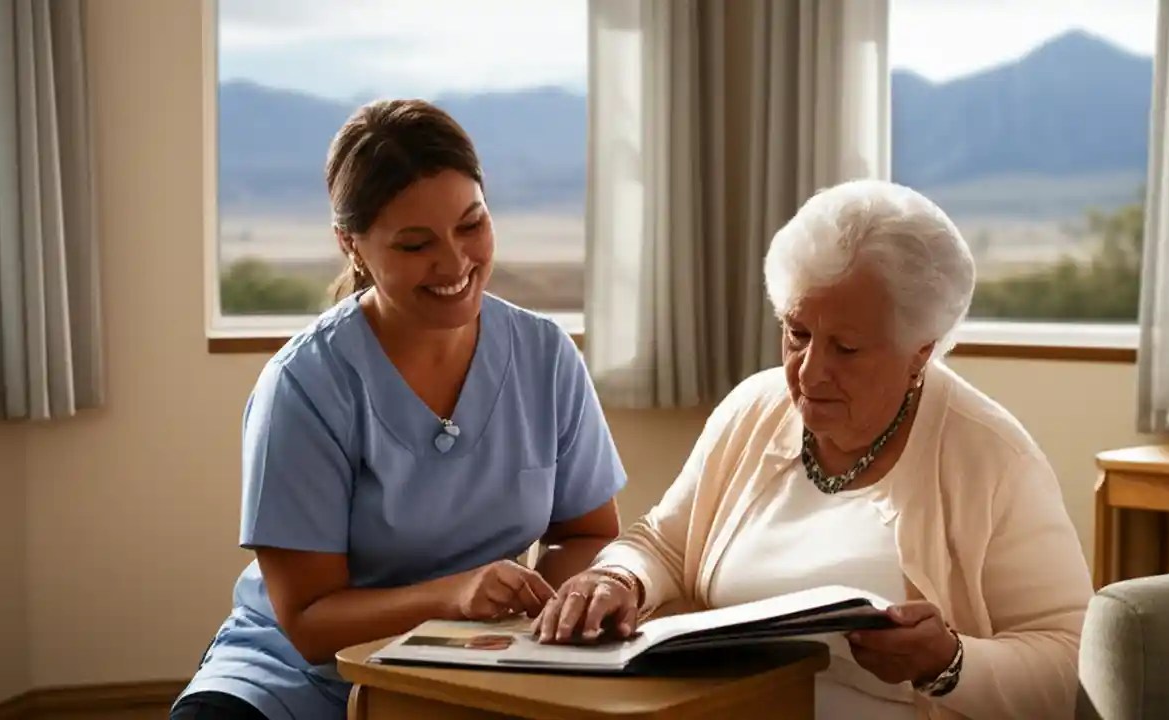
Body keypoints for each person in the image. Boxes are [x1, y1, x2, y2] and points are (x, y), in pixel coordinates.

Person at [535, 180, 1093, 720]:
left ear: (919, 353)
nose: (810, 371)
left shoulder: (991, 458)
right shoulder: (754, 408)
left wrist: (948, 663)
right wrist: (617, 577)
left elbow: (1073, 667)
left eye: (846, 348)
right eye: (797, 333)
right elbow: (664, 543)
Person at [171, 99, 628, 720]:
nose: (455, 263)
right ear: (350, 244)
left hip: (475, 665)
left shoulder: (544, 357)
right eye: (416, 244)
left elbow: (587, 532)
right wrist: (457, 595)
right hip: (298, 680)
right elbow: (307, 622)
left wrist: (563, 598)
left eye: (472, 225)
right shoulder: (305, 384)